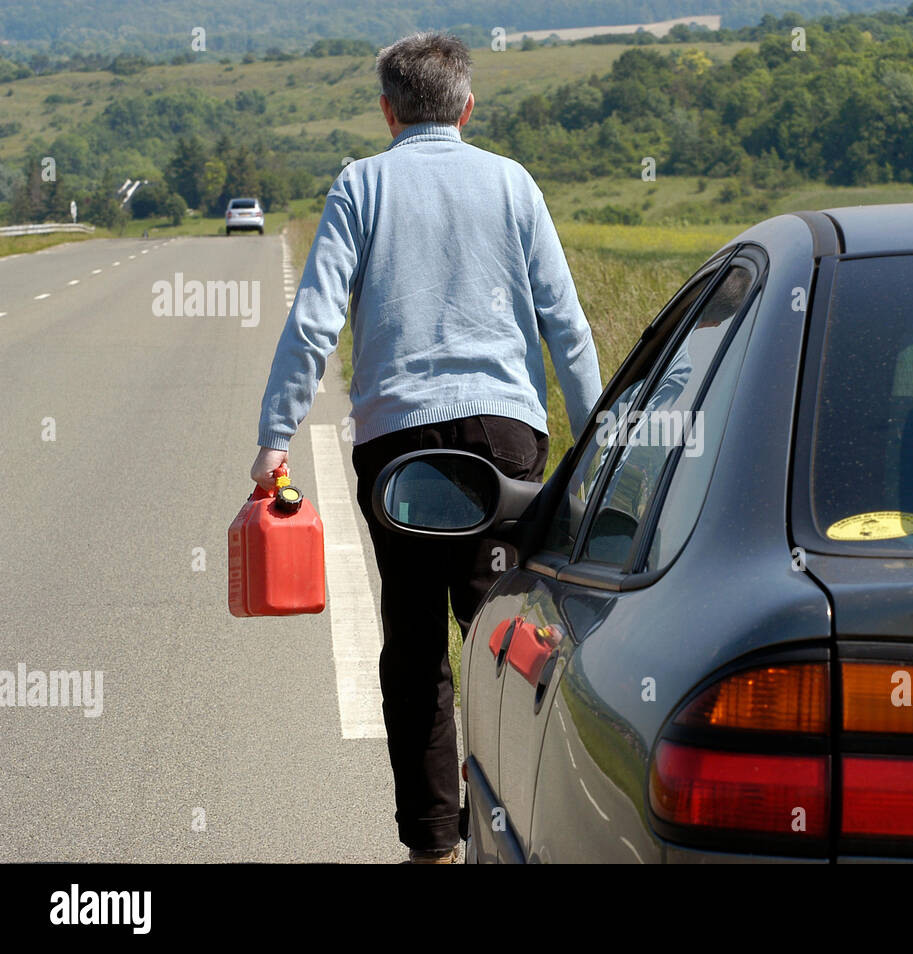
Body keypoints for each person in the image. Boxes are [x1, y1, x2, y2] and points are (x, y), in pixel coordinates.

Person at [250, 31, 602, 863]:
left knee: (413, 649)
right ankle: (526, 824)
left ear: (387, 111)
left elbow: (313, 325)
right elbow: (567, 326)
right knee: (509, 640)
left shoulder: (361, 185)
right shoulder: (513, 183)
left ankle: (433, 847)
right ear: (467, 108)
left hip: (399, 448)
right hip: (506, 443)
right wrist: (598, 445)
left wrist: (274, 439)